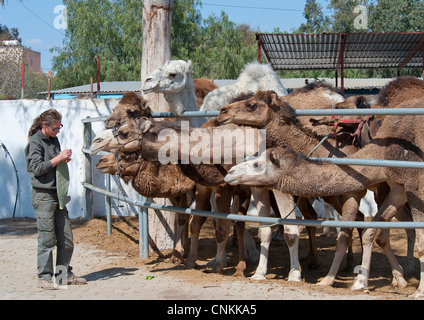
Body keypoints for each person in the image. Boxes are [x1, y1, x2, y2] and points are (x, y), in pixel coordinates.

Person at [25, 109, 87, 290]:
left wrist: (61, 160)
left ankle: (63, 275)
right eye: (55, 128)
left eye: (60, 127)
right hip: (43, 195)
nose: (58, 131)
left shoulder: (53, 140)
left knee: (66, 237)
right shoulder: (34, 143)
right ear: (45, 125)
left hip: (58, 193)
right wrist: (58, 158)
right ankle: (44, 277)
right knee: (47, 238)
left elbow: (51, 163)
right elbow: (36, 168)